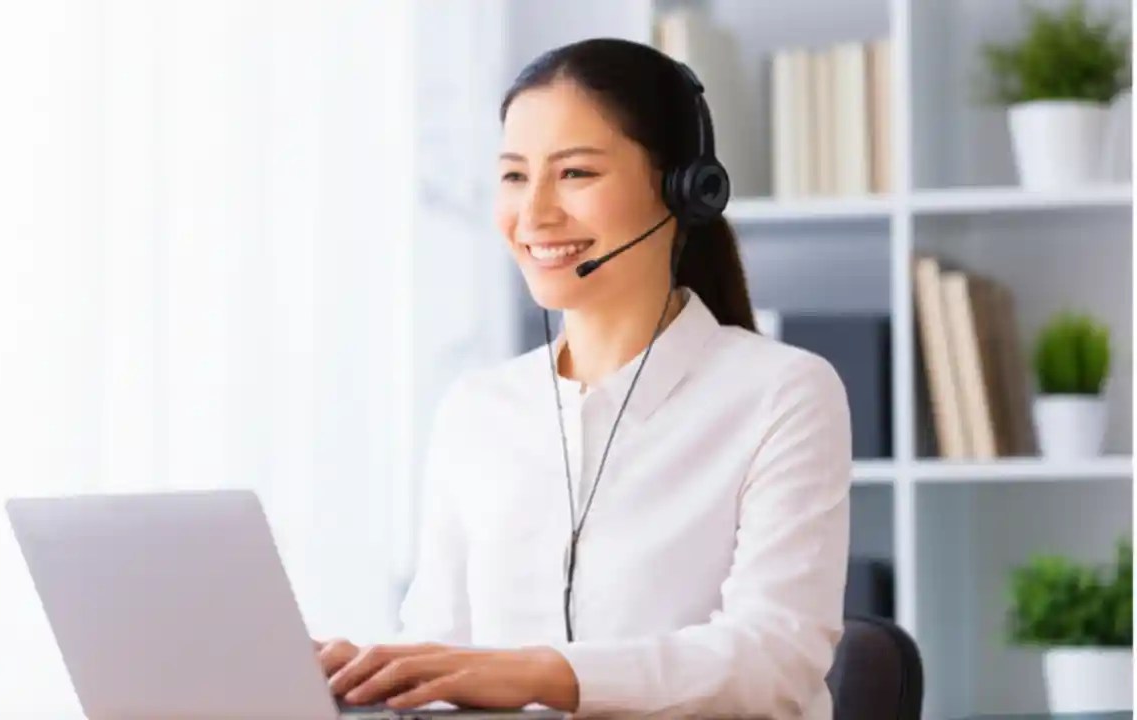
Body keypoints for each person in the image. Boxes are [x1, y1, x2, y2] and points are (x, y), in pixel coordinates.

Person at [315, 37, 852, 719]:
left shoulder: (783, 392)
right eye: (514, 175)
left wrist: (543, 674)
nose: (535, 213)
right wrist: (368, 675)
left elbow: (772, 658)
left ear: (686, 190)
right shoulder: (479, 409)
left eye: (574, 174)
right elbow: (441, 648)